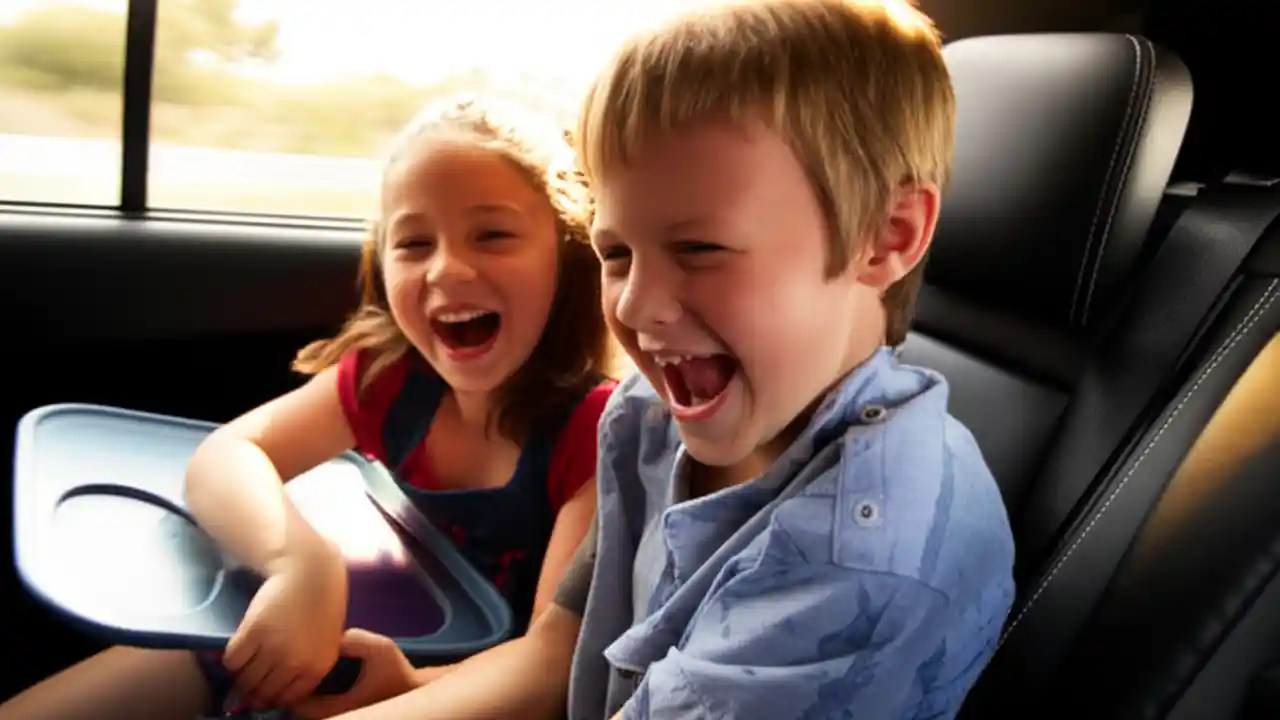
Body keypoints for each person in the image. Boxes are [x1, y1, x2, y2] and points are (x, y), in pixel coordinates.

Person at [309, 1, 1016, 718]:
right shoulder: (649, 416)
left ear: (887, 236)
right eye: (615, 252)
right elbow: (564, 649)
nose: (635, 307)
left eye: (698, 249)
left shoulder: (856, 570)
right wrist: (417, 693)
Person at [0, 93, 619, 720]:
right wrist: (301, 567)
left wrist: (415, 682)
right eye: (413, 243)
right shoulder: (391, 380)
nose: (446, 269)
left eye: (493, 235)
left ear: (569, 252)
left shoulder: (596, 432)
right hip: (295, 631)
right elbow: (228, 454)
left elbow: (547, 662)